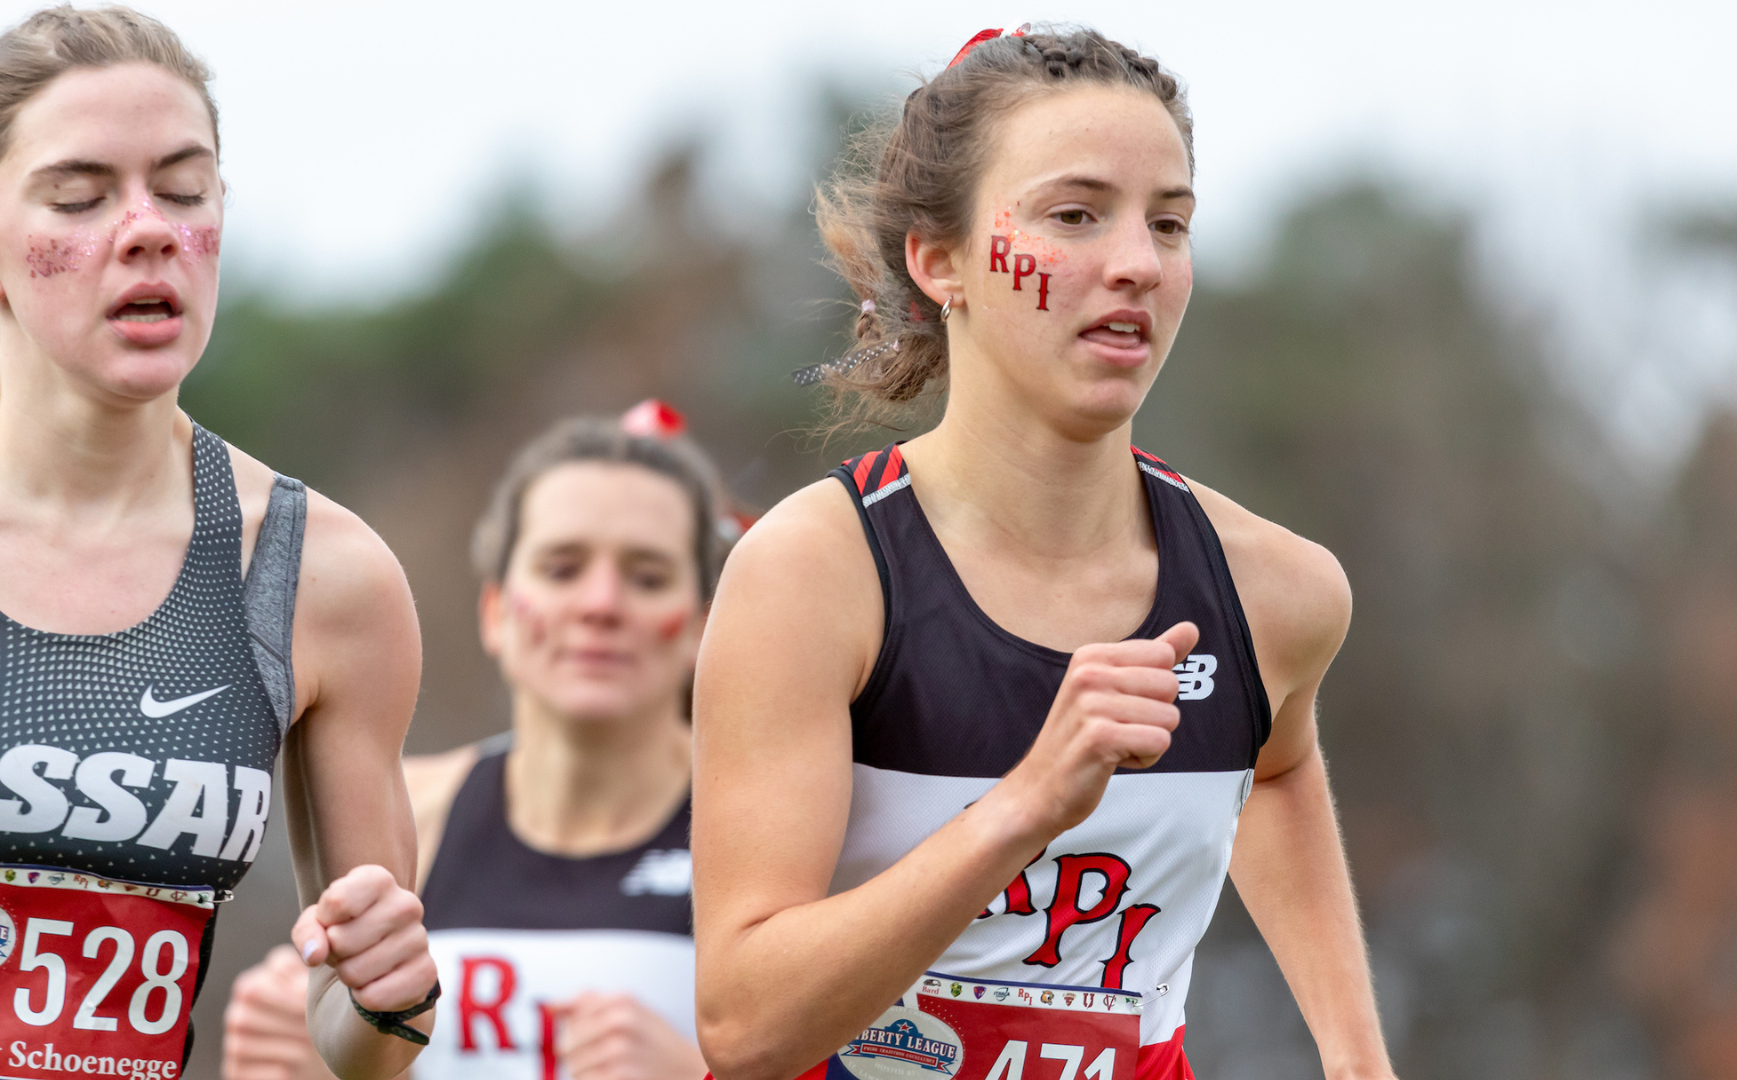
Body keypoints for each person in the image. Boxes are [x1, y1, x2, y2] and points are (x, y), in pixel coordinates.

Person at [693, 25, 1397, 1080]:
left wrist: (1357, 1059)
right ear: (941, 261)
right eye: (1075, 216)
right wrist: (1024, 806)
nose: (1136, 265)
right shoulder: (816, 573)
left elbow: (1281, 770)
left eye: (1170, 224)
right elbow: (743, 1029)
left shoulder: (1276, 591)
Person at [0, 6, 436, 1078]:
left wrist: (392, 996)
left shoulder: (321, 575)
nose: (147, 227)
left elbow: (359, 1046)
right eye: (80, 195)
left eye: (184, 191)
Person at [223, 409, 717, 1080]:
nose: (602, 603)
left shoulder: (772, 827)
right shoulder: (411, 814)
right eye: (563, 568)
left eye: (649, 577)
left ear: (701, 625)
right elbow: (353, 1045)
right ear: (497, 612)